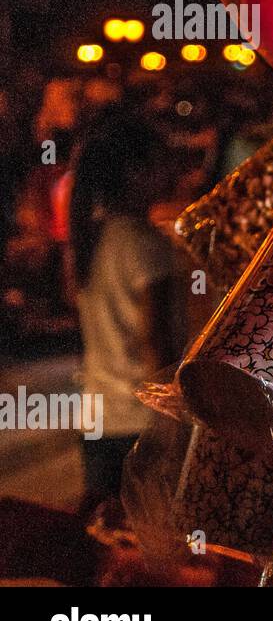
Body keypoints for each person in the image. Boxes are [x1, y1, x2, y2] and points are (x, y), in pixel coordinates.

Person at [67, 108, 181, 515]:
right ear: (135, 171)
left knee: (105, 543)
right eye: (162, 159)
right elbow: (157, 342)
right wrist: (175, 418)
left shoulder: (93, 237)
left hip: (98, 418)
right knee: (146, 549)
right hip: (140, 423)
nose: (173, 168)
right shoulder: (146, 245)